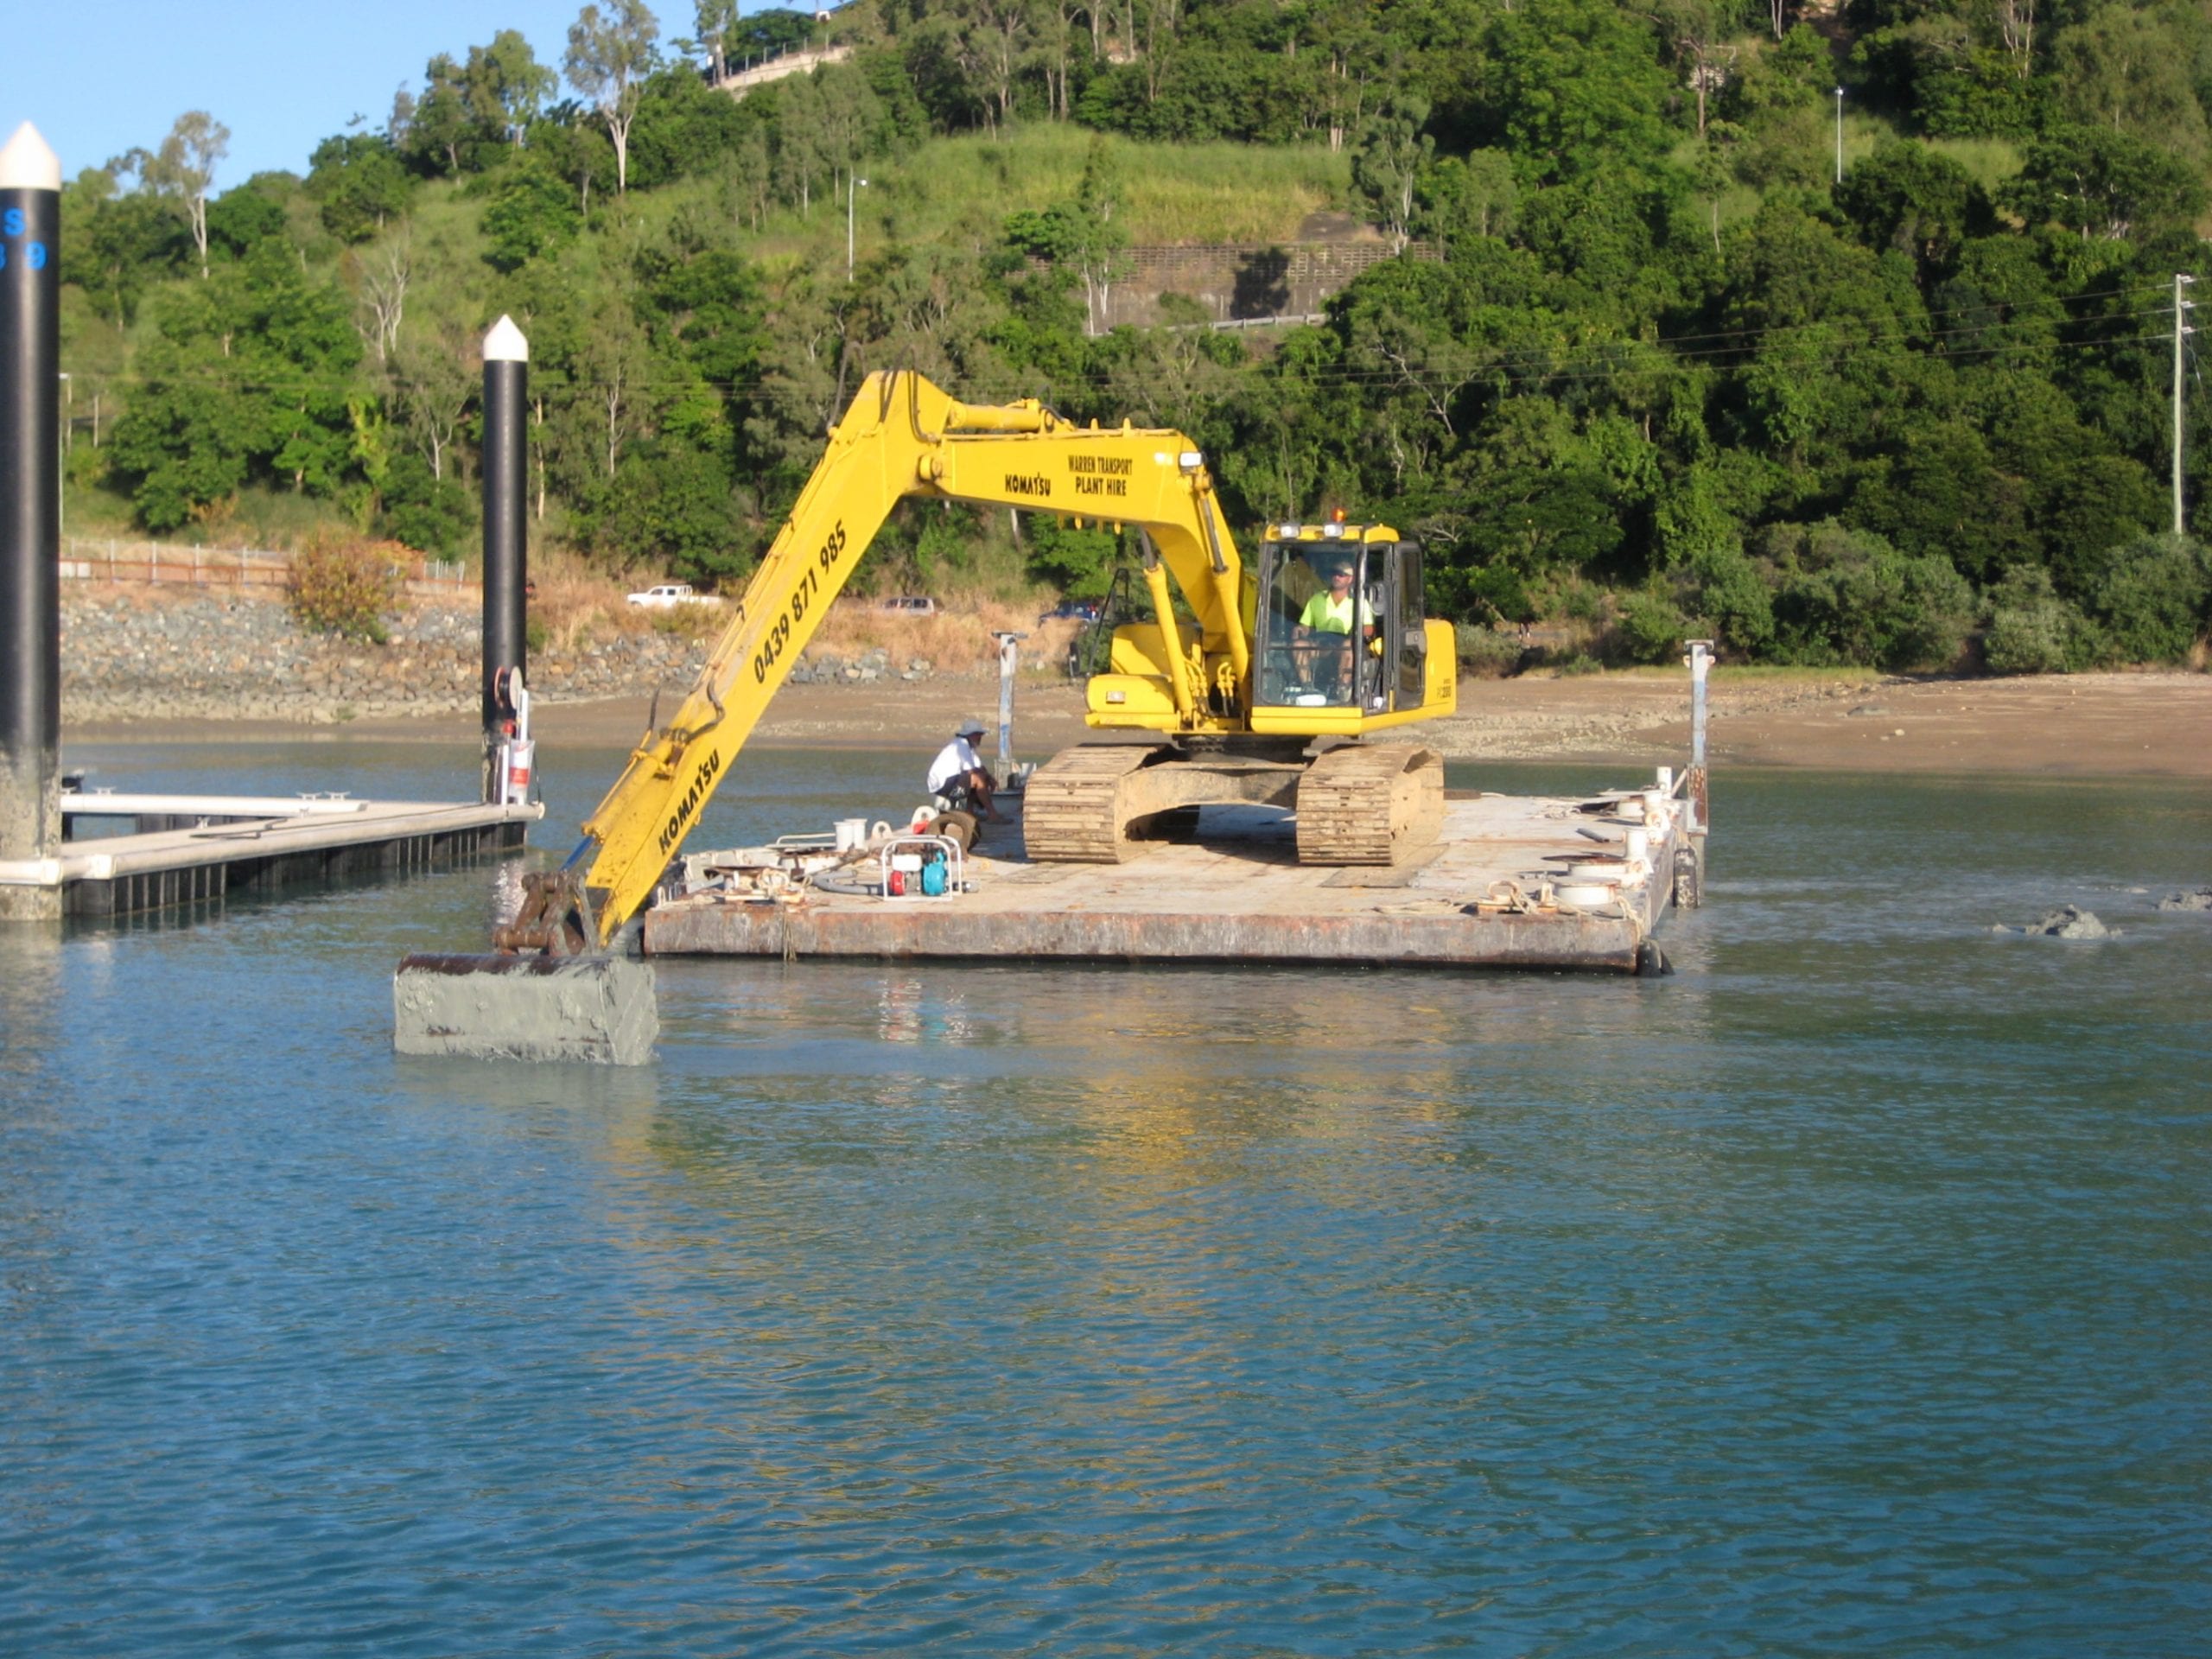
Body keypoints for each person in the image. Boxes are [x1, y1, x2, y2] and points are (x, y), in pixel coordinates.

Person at [927, 717, 1004, 823]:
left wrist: (989, 777)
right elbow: (972, 770)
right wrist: (988, 779)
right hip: (943, 786)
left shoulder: (967, 747)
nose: (980, 738)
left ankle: (970, 813)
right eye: (979, 735)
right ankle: (993, 815)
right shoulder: (961, 745)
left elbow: (979, 766)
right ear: (972, 735)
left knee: (980, 776)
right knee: (978, 779)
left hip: (950, 782)